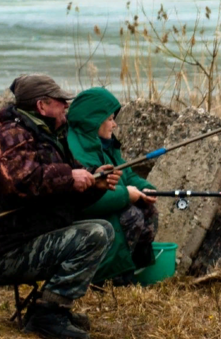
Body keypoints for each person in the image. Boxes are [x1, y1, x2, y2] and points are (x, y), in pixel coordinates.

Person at [0, 74, 121, 339]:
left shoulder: (49, 137)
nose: (66, 106)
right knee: (94, 235)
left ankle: (54, 307)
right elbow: (19, 183)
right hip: (5, 251)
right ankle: (47, 316)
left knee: (103, 230)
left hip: (32, 238)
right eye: (60, 101)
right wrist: (70, 177)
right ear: (42, 107)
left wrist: (94, 182)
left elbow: (63, 193)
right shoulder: (8, 137)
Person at [66, 87, 159, 286]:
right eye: (109, 119)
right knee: (130, 215)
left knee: (147, 208)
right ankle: (104, 277)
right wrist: (127, 195)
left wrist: (145, 188)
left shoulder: (105, 145)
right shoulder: (75, 150)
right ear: (94, 121)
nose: (114, 124)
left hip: (104, 208)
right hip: (80, 218)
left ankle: (129, 268)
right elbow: (90, 200)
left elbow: (127, 175)